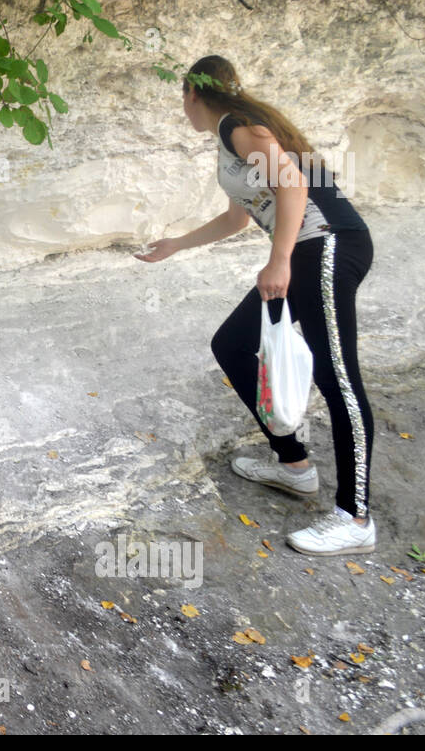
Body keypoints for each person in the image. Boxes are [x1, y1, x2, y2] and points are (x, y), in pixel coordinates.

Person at [135, 55, 377, 556]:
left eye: (182, 99)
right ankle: (294, 465)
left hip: (326, 245)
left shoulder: (238, 128)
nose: (183, 108)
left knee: (338, 379)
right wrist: (175, 244)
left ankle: (355, 518)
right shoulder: (232, 138)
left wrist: (280, 259)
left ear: (192, 94)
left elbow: (293, 185)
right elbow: (237, 219)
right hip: (308, 251)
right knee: (233, 343)